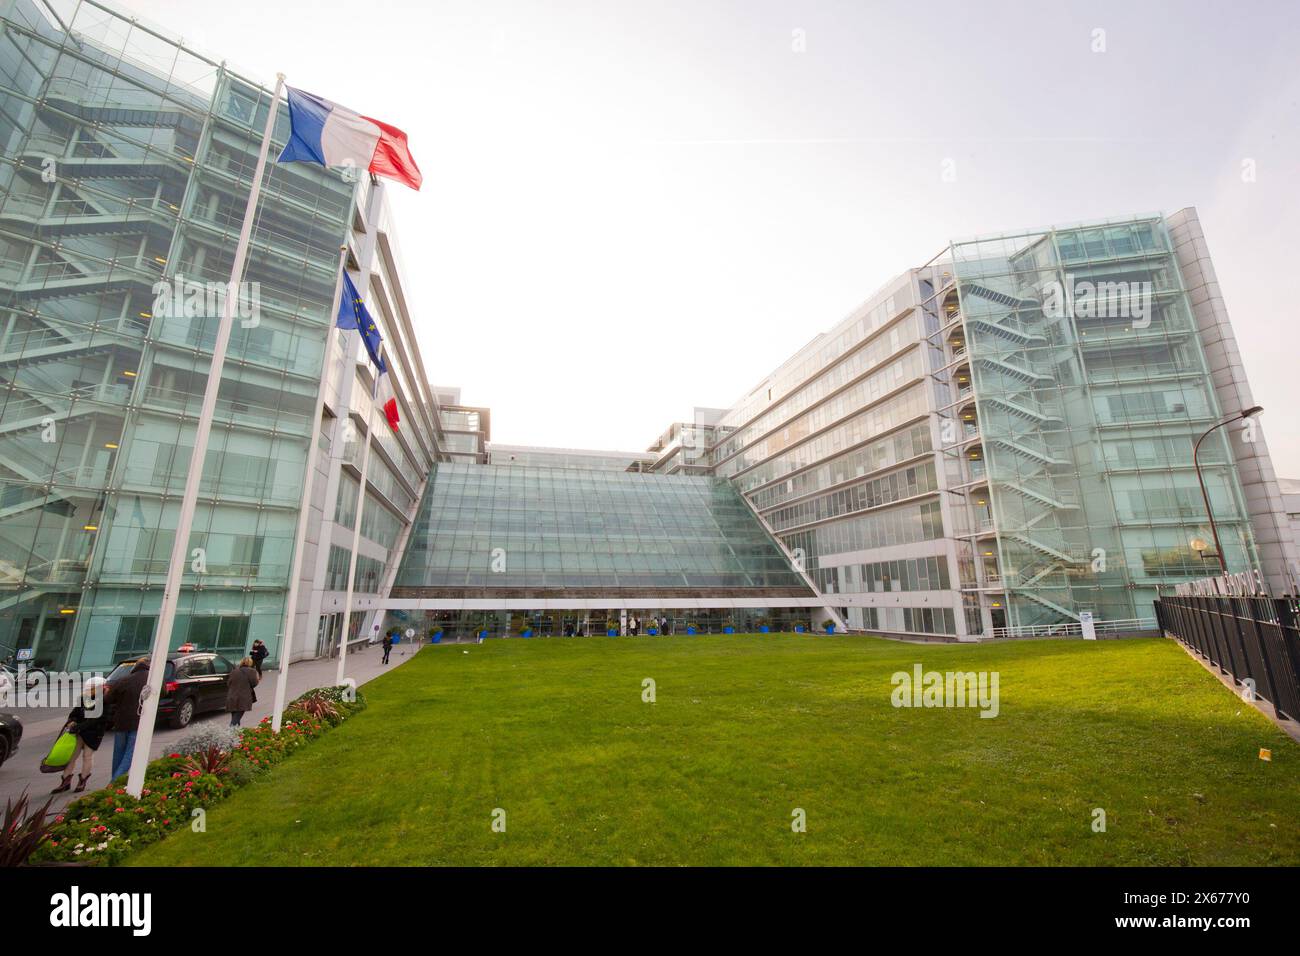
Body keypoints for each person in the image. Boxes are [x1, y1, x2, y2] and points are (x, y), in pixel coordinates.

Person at [51, 677, 109, 794]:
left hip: (93, 733)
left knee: (87, 756)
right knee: (71, 757)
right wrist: (71, 720)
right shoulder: (83, 698)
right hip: (79, 733)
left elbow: (96, 719)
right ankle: (65, 781)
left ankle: (82, 780)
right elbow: (74, 713)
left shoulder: (104, 700)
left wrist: (78, 726)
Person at [108, 657, 150, 781]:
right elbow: (163, 692)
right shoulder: (151, 680)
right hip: (139, 721)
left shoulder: (124, 680)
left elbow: (109, 699)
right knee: (130, 754)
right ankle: (114, 782)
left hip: (121, 721)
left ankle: (114, 780)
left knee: (118, 753)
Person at [226, 656, 260, 726]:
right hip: (243, 697)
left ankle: (235, 734)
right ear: (250, 663)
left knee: (235, 717)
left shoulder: (234, 671)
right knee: (236, 719)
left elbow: (228, 683)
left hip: (232, 697)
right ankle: (228, 733)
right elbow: (254, 683)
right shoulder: (252, 671)